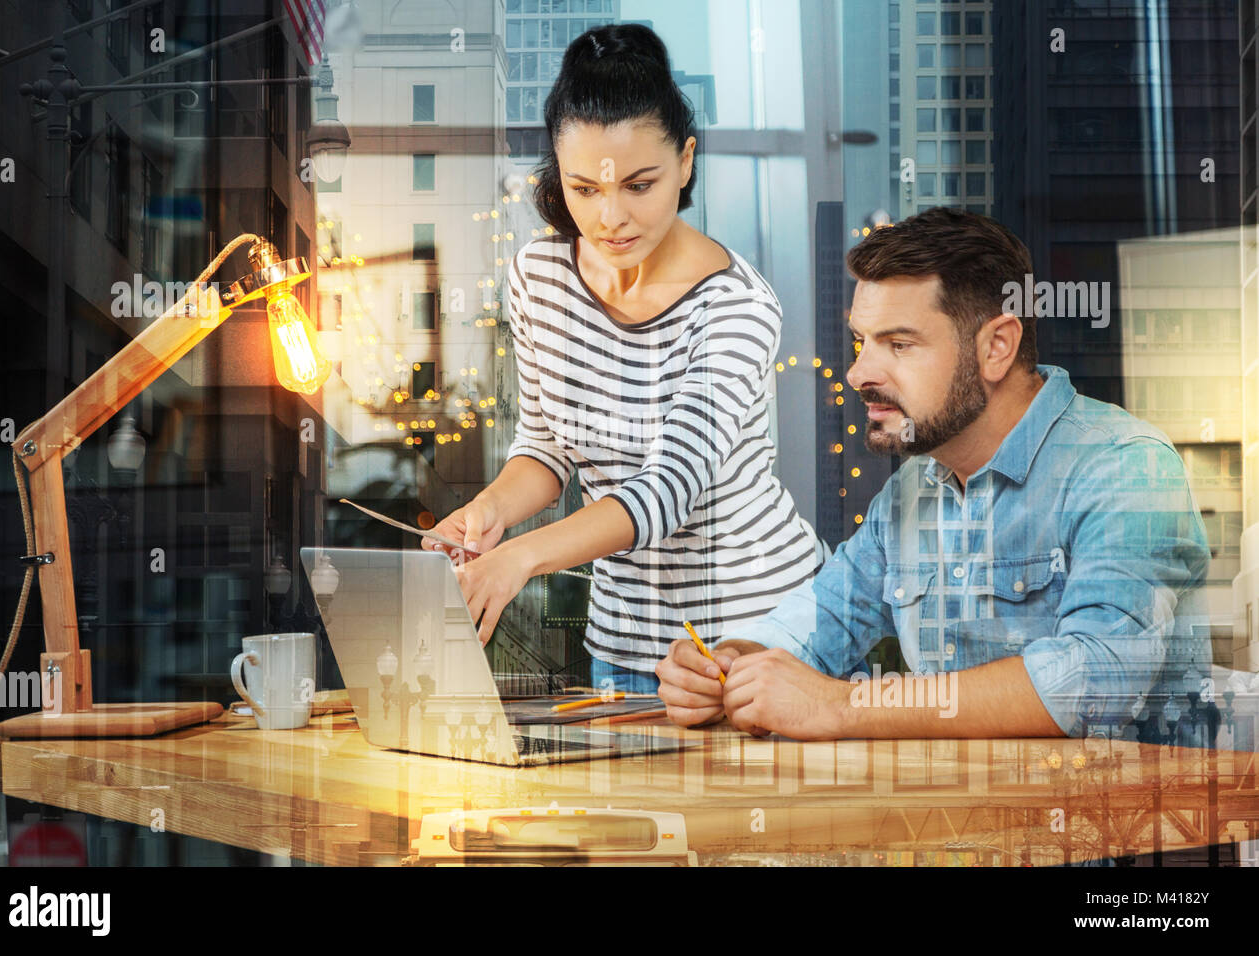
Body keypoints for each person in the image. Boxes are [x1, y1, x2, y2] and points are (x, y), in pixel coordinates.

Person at [656, 207, 1212, 740]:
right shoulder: (911, 492)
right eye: (860, 342)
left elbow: (1094, 680)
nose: (858, 373)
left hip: (1123, 832)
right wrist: (725, 666)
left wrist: (843, 706)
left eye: (899, 344)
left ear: (997, 346)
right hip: (960, 829)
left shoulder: (1126, 466)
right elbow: (819, 619)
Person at [423, 24, 824, 694]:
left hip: (759, 636)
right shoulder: (539, 278)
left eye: (640, 185)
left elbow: (667, 490)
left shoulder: (735, 309)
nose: (611, 218)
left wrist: (519, 559)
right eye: (584, 189)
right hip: (623, 643)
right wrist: (492, 511)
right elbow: (547, 449)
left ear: (686, 162)